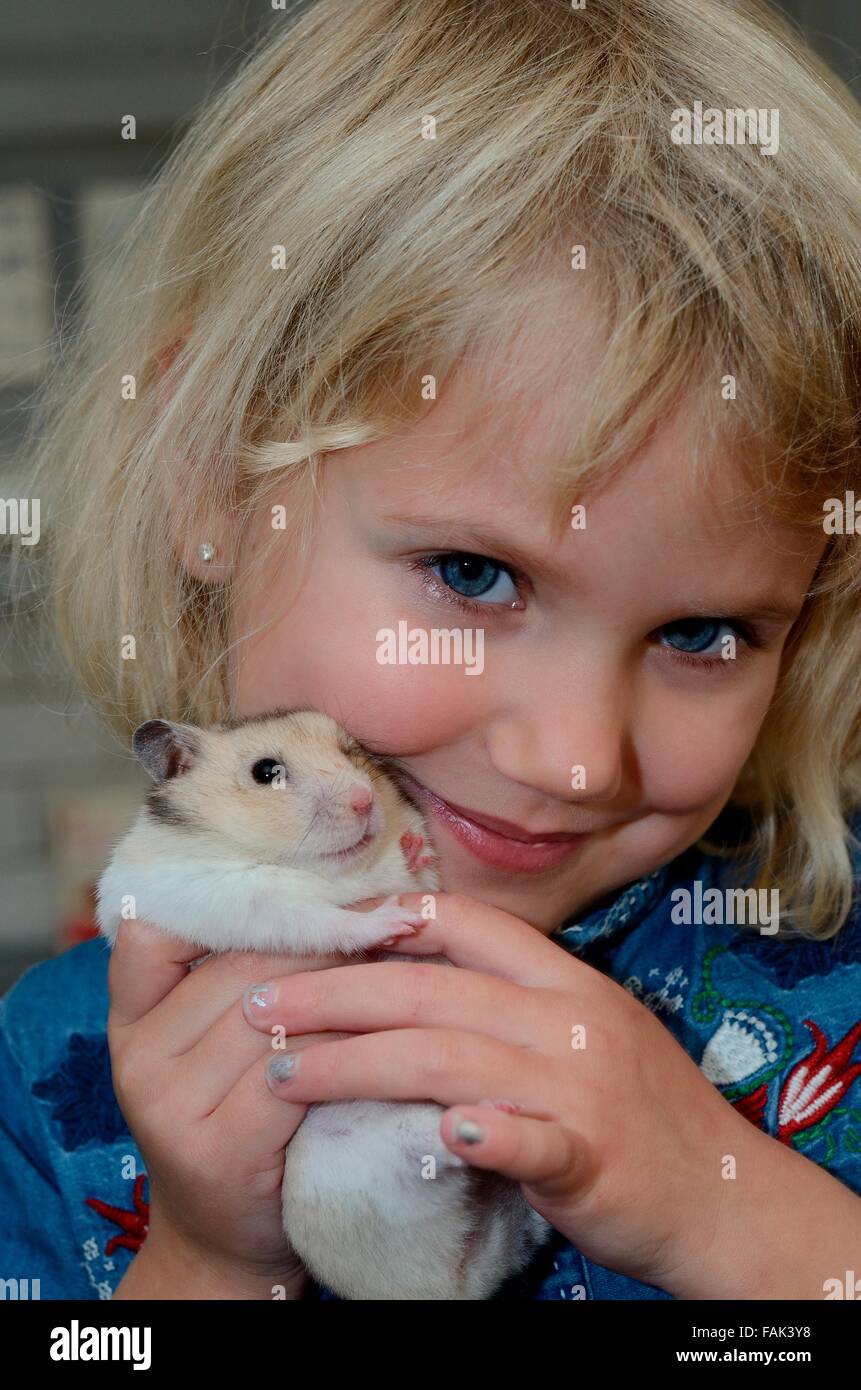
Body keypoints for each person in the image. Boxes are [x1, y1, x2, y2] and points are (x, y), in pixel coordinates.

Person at [2, 0, 860, 1300]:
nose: (574, 758)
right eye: (474, 574)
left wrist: (723, 1212)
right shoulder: (49, 1070)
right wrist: (209, 1260)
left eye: (700, 630)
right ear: (207, 474)